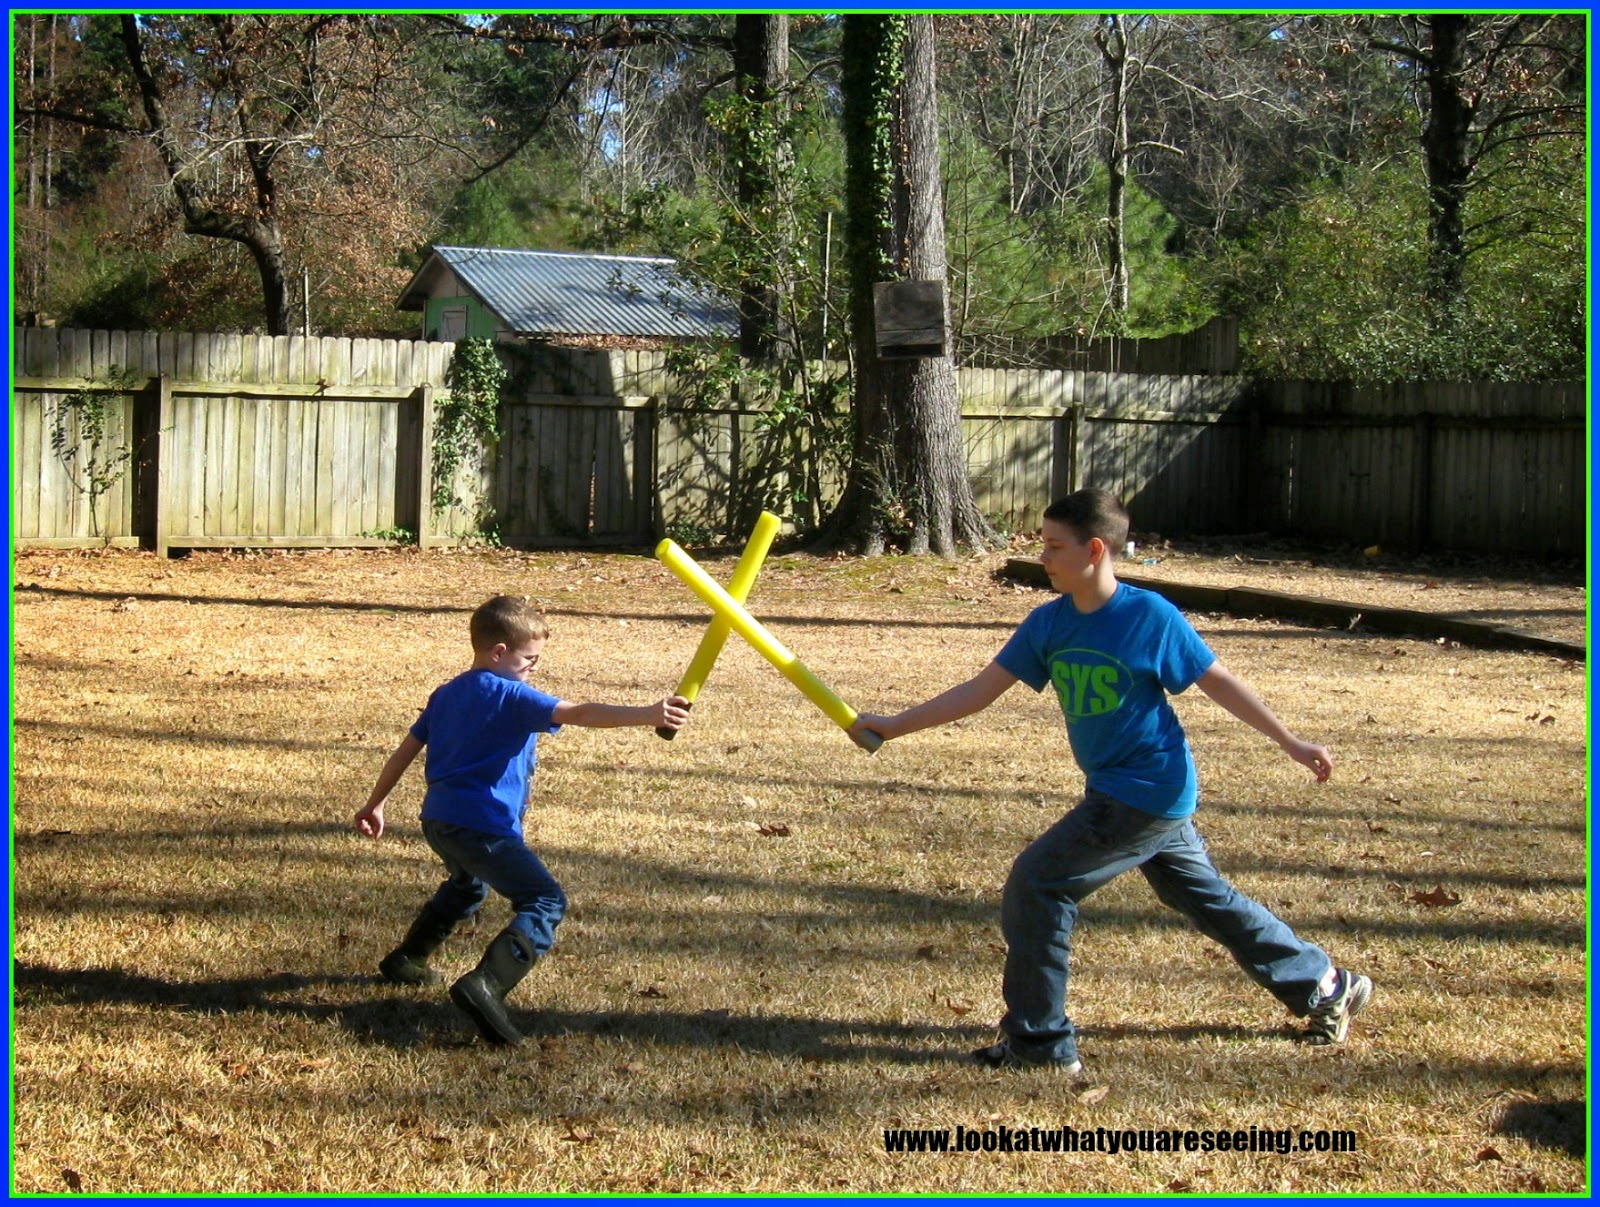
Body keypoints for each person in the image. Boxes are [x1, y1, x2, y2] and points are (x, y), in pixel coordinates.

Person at [850, 489, 1372, 1072]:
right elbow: (980, 690)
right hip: (1122, 792)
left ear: (1094, 549)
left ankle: (1039, 1044)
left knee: (1038, 883)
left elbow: (1217, 680)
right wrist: (893, 726)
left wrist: (1291, 742)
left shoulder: (1150, 618)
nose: (1042, 556)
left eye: (1054, 546)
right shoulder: (1049, 623)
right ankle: (1326, 984)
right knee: (1204, 898)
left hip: (1146, 791)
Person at [354, 594, 690, 1046]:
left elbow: (406, 751)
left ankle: (408, 959)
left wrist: (376, 802)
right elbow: (580, 712)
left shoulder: (448, 692)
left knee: (467, 886)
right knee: (544, 901)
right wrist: (647, 714)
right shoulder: (510, 694)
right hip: (484, 826)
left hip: (439, 822)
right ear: (499, 653)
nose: (534, 668)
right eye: (529, 659)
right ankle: (486, 986)